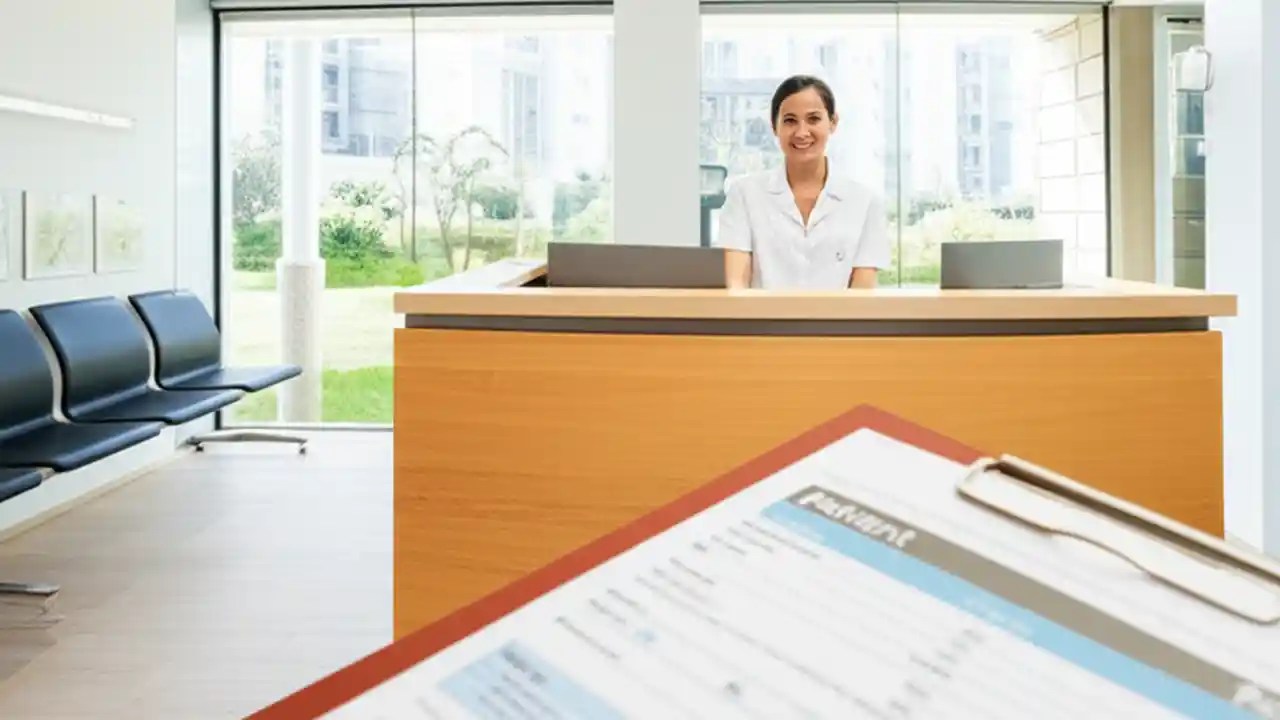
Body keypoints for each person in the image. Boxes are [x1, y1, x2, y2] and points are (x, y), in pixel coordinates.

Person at [714, 75, 890, 290]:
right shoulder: (744, 194)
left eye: (813, 119)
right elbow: (736, 284)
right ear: (774, 127)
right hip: (762, 323)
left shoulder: (865, 202)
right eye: (790, 121)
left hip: (839, 324)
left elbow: (862, 294)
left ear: (833, 123)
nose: (801, 132)